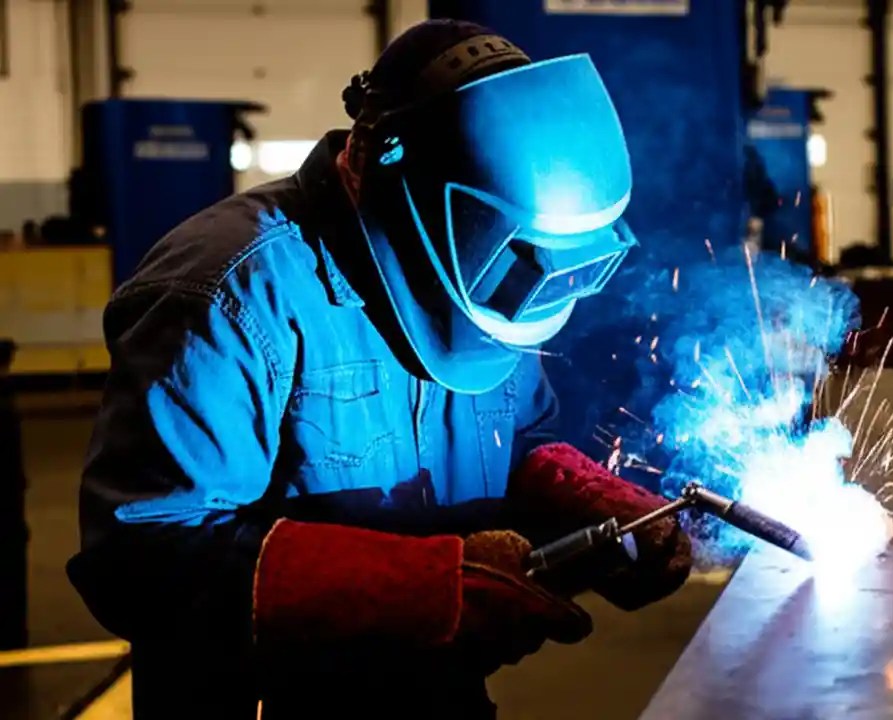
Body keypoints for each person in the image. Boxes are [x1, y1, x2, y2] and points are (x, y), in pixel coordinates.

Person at [67, 21, 691, 719]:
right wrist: (420, 588)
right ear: (383, 165)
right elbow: (138, 556)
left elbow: (517, 437)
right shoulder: (229, 293)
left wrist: (587, 501)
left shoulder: (493, 273)